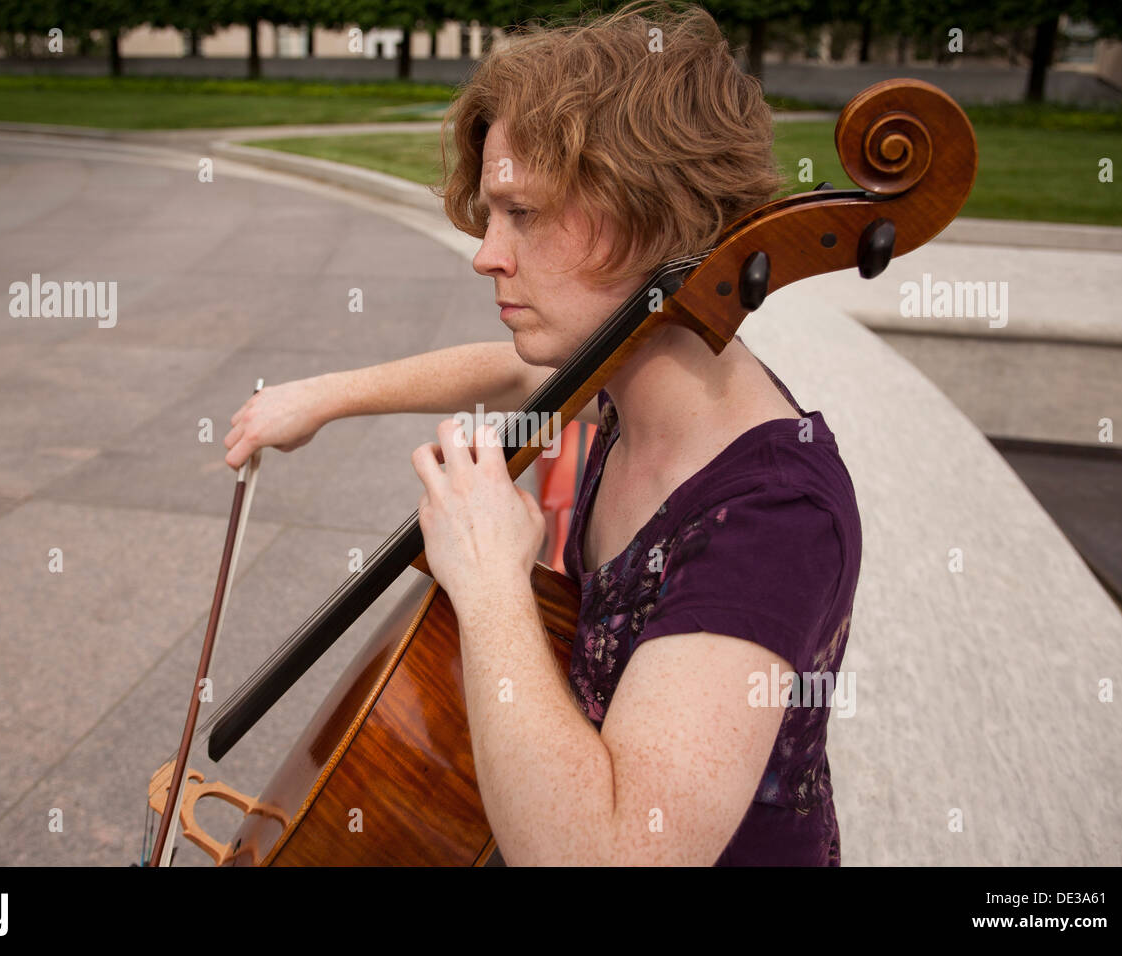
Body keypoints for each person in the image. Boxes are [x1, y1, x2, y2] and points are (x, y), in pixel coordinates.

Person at [224, 0, 861, 866]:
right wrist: (323, 397)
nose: (486, 253)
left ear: (655, 212)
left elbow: (615, 853)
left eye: (524, 213)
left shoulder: (772, 517)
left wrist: (488, 585)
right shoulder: (631, 380)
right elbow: (510, 369)